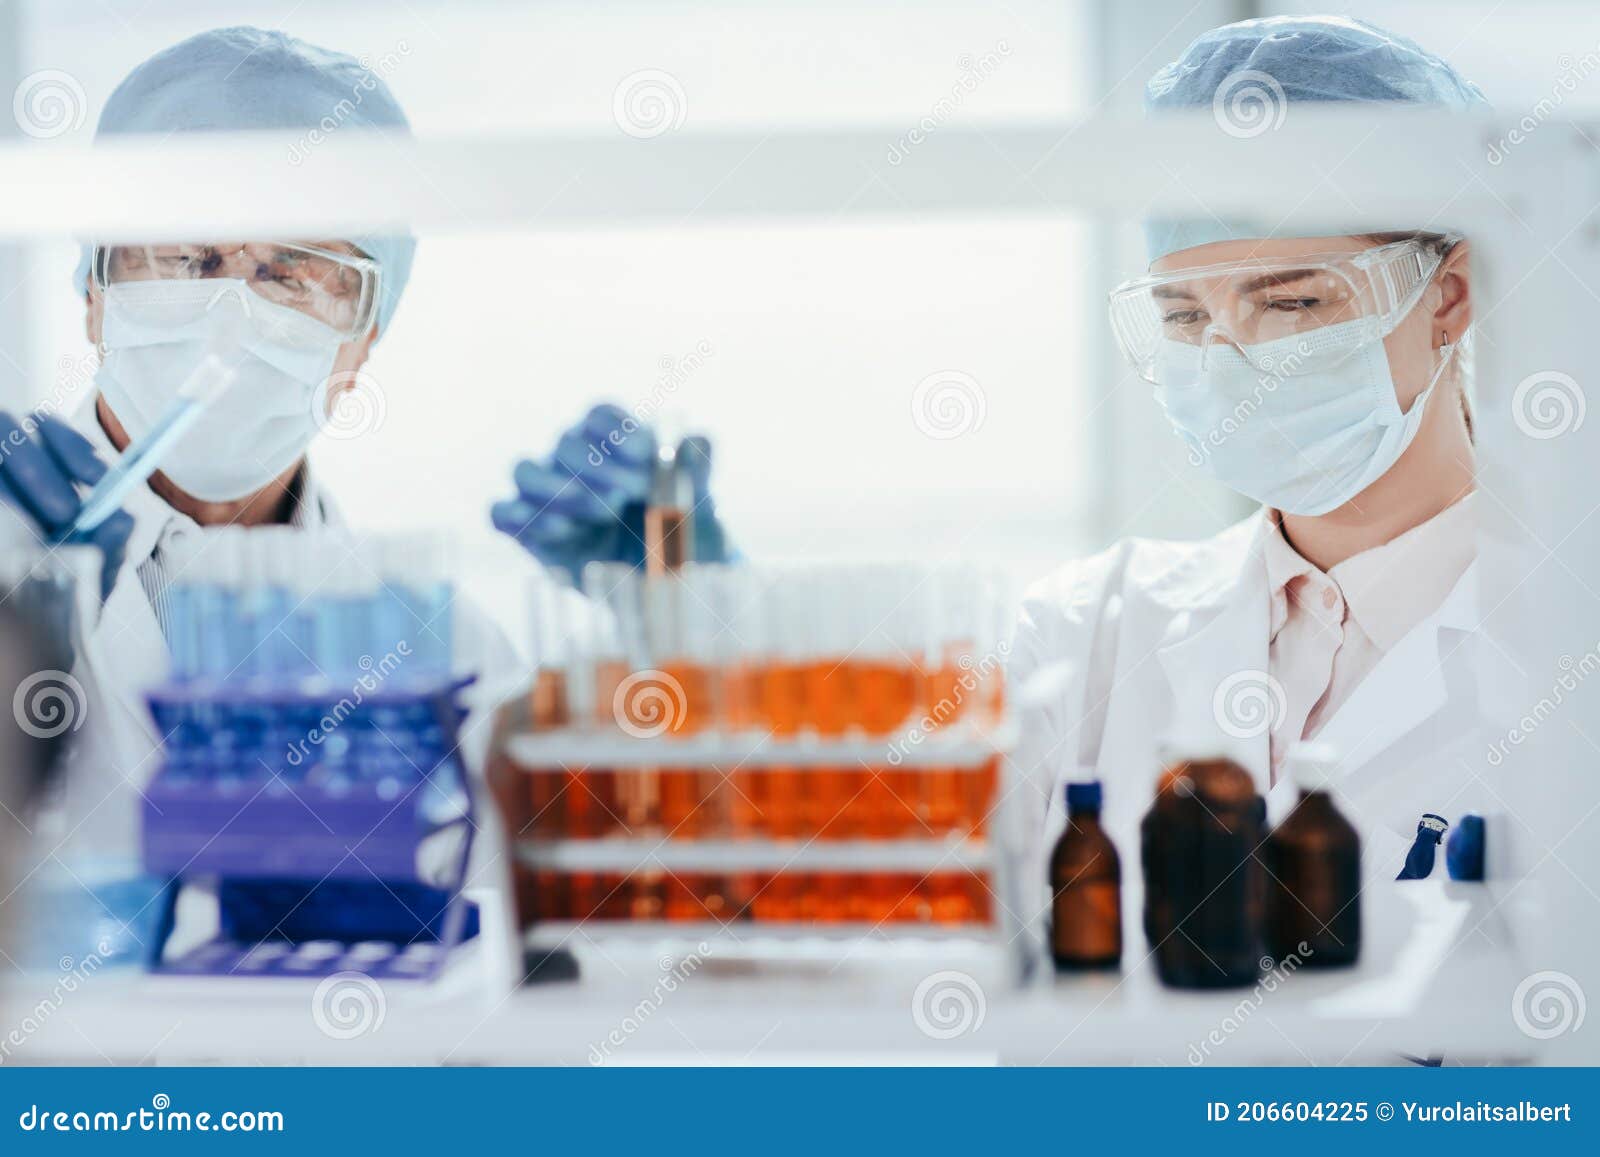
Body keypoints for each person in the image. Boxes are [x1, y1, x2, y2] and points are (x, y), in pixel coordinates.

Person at [0, 28, 517, 949]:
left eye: (296, 272)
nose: (232, 311)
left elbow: (533, 1011)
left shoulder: (454, 648)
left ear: (362, 341)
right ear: (93, 291)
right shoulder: (9, 560)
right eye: (182, 254)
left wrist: (659, 613)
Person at [1008, 16, 1499, 875]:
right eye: (1186, 316)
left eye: (1294, 304)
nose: (1234, 363)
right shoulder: (1082, 634)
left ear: (1447, 297)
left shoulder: (1568, 642)